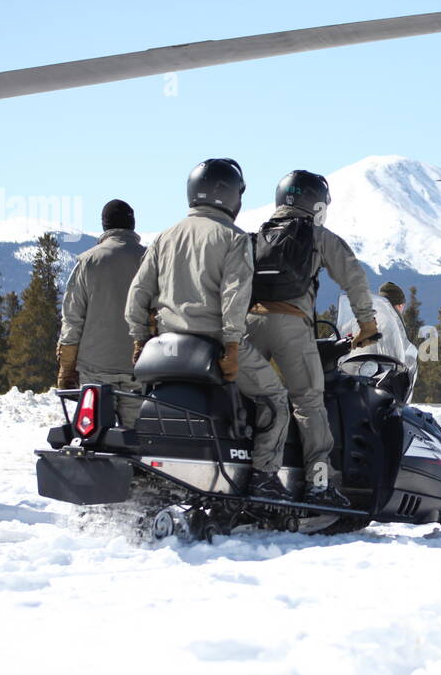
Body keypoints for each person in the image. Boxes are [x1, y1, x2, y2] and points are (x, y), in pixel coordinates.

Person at [124, 159, 290, 500]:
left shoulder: (164, 237)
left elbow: (137, 295)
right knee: (274, 398)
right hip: (214, 343)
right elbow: (235, 295)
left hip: (166, 347)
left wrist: (140, 338)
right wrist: (231, 346)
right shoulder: (232, 238)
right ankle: (264, 475)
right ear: (229, 195)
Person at [246, 169, 378, 507]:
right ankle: (319, 483)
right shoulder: (317, 235)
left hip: (248, 323)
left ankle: (249, 468)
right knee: (308, 402)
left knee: (252, 397)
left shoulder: (255, 235)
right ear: (316, 204)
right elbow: (353, 278)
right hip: (290, 325)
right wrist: (366, 324)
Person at [57, 199, 146, 425]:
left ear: (105, 226)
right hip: (139, 367)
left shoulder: (88, 261)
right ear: (132, 225)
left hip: (95, 368)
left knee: (94, 437)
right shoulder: (149, 259)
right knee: (137, 438)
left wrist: (66, 367)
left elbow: (72, 319)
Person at [337, 280, 418, 398]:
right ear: (399, 305)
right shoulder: (393, 326)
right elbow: (400, 356)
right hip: (380, 382)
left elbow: (339, 337)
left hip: (353, 377)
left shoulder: (359, 321)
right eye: (402, 306)